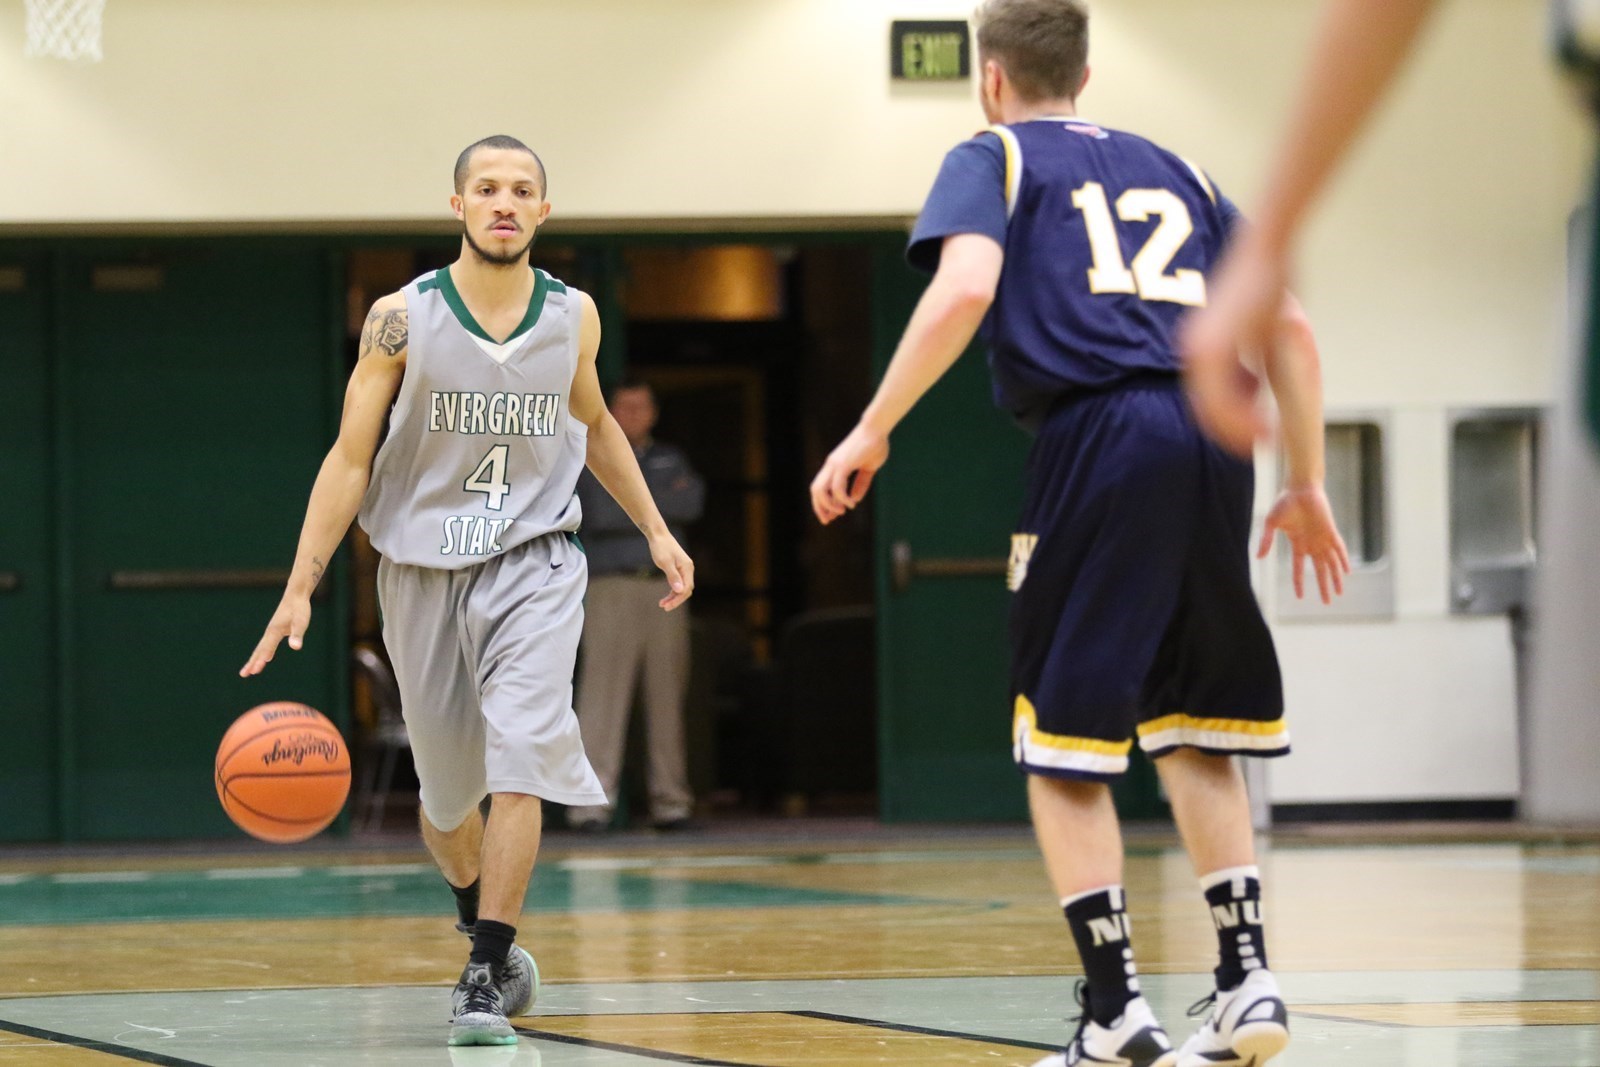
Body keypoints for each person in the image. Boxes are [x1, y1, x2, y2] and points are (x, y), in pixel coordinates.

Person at [810, 3, 1349, 1065]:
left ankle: (1113, 1009)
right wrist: (1309, 481)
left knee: (1061, 741)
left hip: (1100, 430)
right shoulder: (1182, 171)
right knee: (1193, 720)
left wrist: (872, 426)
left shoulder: (994, 154)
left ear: (992, 78)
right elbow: (1286, 321)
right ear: (1087, 74)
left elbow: (965, 284)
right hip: (1213, 431)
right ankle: (1245, 980)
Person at [240, 134, 694, 1047]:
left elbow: (596, 423)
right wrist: (302, 585)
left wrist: (654, 526)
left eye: (522, 189)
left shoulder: (575, 317)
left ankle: (486, 967)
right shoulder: (399, 318)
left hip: (535, 561)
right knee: (449, 806)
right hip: (421, 573)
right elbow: (349, 457)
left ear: (542, 211)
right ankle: (472, 910)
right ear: (457, 206)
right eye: (486, 187)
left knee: (525, 750)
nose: (503, 201)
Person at [567, 380, 705, 832]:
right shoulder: (592, 454)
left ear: (654, 413)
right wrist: (654, 509)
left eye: (641, 406)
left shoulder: (670, 457)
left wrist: (636, 506)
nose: (632, 414)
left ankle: (672, 801)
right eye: (623, 407)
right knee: (601, 697)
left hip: (665, 585)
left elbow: (692, 501)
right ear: (610, 410)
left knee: (669, 697)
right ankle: (591, 805)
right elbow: (599, 514)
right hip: (610, 586)